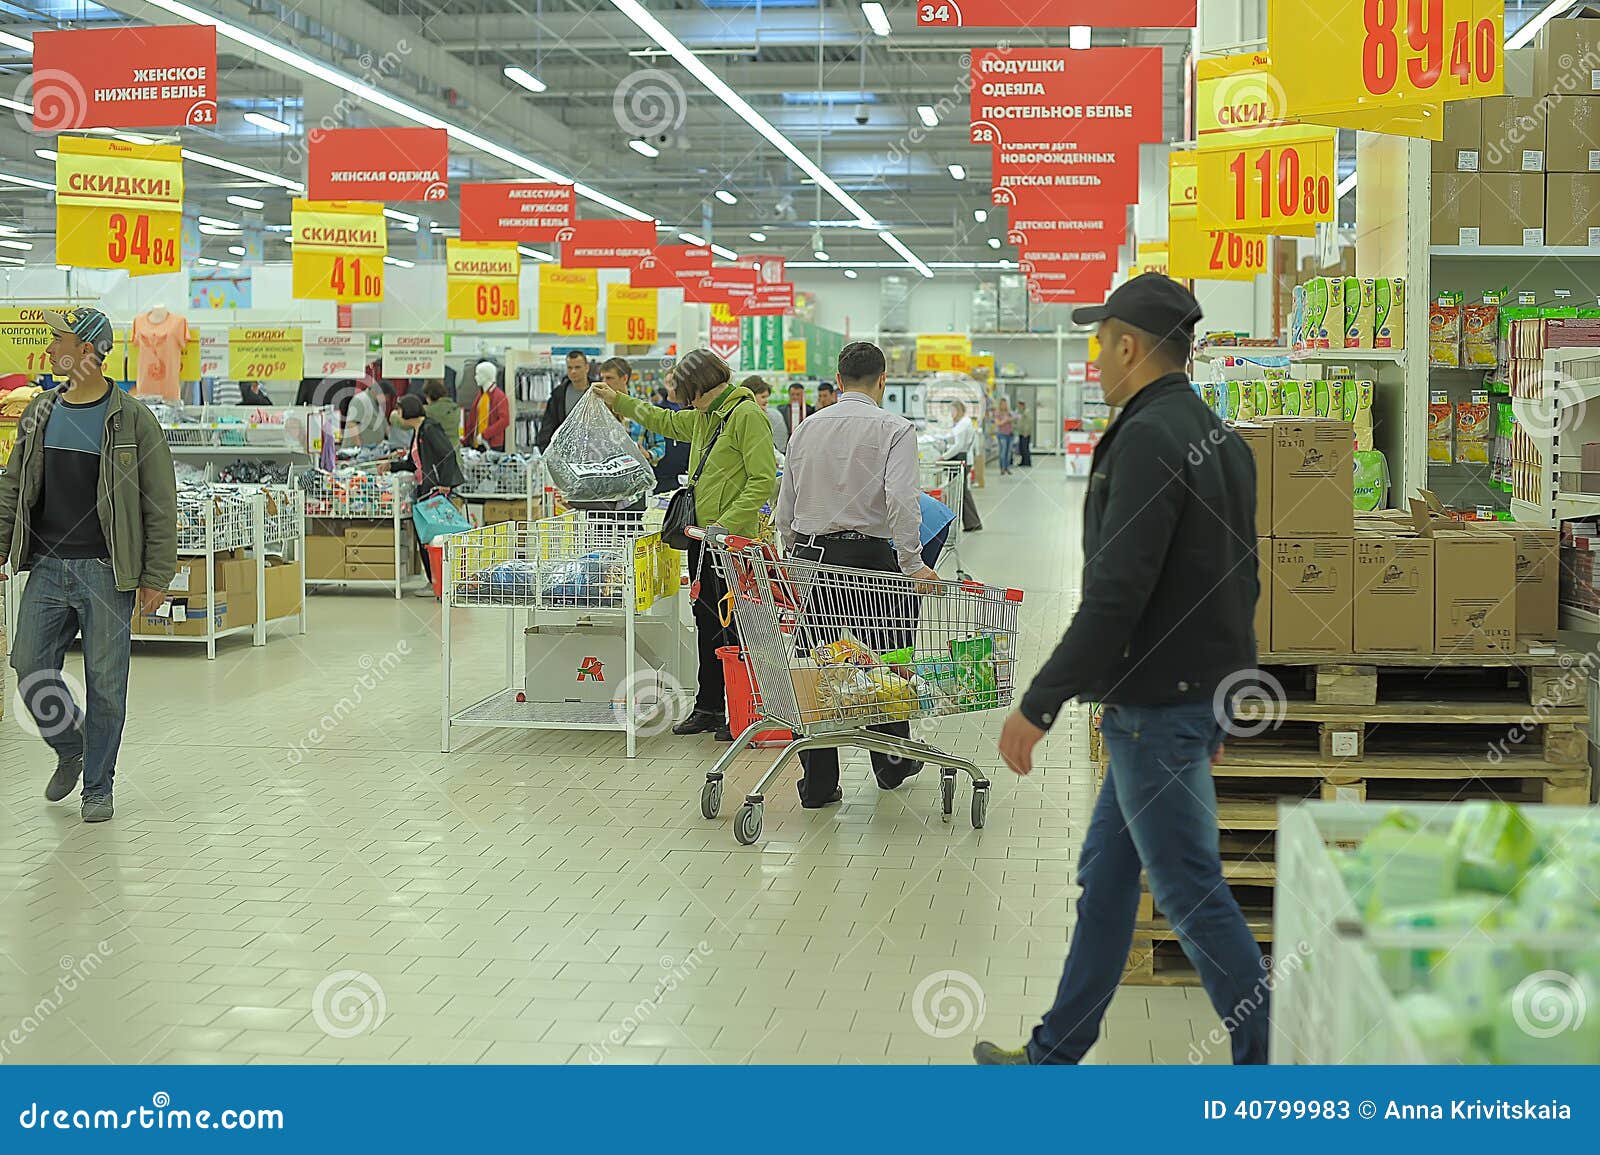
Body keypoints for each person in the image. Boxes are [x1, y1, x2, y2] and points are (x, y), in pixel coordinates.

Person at [974, 274, 1266, 1066]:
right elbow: (1245, 582)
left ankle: (1273, 1063)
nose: (1096, 355)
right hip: (1180, 702)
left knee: (1188, 893)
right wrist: (1227, 700)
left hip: (1153, 708)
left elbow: (1114, 596)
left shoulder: (1144, 439)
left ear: (1130, 345)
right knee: (1106, 876)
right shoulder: (1218, 436)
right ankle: (1053, 1055)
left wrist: (1037, 703)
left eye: (1101, 340)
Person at [0, 307, 178, 824]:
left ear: (87, 353)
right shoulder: (39, 411)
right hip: (48, 567)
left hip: (107, 570)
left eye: (59, 339)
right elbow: (13, 484)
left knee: (106, 684)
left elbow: (159, 503)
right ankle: (70, 746)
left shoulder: (131, 420)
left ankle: (98, 786)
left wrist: (156, 576)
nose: (49, 347)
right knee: (29, 664)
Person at [776, 341, 937, 809]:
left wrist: (793, 554)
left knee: (817, 669)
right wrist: (911, 563)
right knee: (889, 660)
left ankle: (820, 783)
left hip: (817, 562)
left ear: (839, 380)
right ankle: (891, 764)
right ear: (882, 381)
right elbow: (902, 500)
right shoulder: (895, 428)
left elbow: (786, 501)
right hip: (872, 562)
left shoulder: (805, 428)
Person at [594, 350, 776, 739]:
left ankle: (743, 711)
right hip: (702, 540)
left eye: (687, 391)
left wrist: (724, 526)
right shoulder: (706, 417)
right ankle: (710, 706)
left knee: (735, 630)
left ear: (702, 386)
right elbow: (664, 420)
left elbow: (763, 480)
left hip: (732, 544)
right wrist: (618, 400)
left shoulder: (746, 416)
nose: (685, 401)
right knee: (707, 623)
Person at [380, 394, 467, 593]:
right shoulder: (418, 431)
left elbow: (448, 454)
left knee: (433, 536)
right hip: (425, 489)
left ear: (407, 411)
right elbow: (413, 463)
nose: (397, 414)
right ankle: (434, 580)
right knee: (426, 536)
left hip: (435, 489)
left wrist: (445, 483)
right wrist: (391, 466)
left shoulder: (429, 429)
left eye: (399, 410)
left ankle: (438, 581)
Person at [536, 350, 593, 451]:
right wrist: (544, 449)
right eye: (570, 368)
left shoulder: (598, 392)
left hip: (593, 449)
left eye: (577, 367)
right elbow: (549, 424)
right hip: (566, 451)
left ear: (587, 368)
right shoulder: (559, 394)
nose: (573, 371)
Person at [941, 401, 983, 532]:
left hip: (961, 458)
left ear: (959, 410)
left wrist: (944, 457)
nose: (951, 414)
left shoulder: (964, 423)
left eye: (952, 411)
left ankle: (973, 523)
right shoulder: (962, 423)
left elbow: (958, 445)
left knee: (962, 492)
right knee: (962, 492)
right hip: (962, 458)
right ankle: (973, 522)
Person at [464, 360, 509, 452]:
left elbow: (504, 420)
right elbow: (472, 420)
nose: (476, 377)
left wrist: (485, 434)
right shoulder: (480, 396)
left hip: (492, 444)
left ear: (486, 376)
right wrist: (466, 439)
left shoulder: (499, 396)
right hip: (477, 443)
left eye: (478, 374)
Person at [743, 376, 788, 454]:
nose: (766, 401)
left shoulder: (775, 416)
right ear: (750, 396)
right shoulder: (742, 417)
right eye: (763, 397)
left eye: (767, 397)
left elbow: (780, 447)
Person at [344, 379, 388, 448]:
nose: (386, 399)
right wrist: (359, 446)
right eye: (385, 396)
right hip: (355, 451)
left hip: (373, 450)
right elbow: (352, 424)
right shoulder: (360, 400)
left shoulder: (378, 405)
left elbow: (385, 427)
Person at [422, 380, 463, 444]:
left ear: (429, 396)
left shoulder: (427, 411)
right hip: (455, 450)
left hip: (437, 451)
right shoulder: (456, 408)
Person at [994, 397, 1016, 475]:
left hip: (1010, 434)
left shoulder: (1009, 412)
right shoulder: (997, 413)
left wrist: (1011, 418)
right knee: (1003, 452)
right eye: (1003, 404)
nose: (1004, 406)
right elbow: (998, 423)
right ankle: (1002, 468)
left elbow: (1014, 418)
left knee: (1009, 452)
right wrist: (1005, 420)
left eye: (1005, 404)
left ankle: (1007, 467)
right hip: (1002, 434)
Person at [1015, 398, 1034, 467]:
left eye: (1019, 405)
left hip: (1025, 433)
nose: (1018, 407)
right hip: (1021, 433)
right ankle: (1023, 461)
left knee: (1025, 448)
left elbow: (1028, 423)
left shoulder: (1026, 412)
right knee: (1021, 448)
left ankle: (1027, 462)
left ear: (1022, 405)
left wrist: (1026, 431)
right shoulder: (1020, 412)